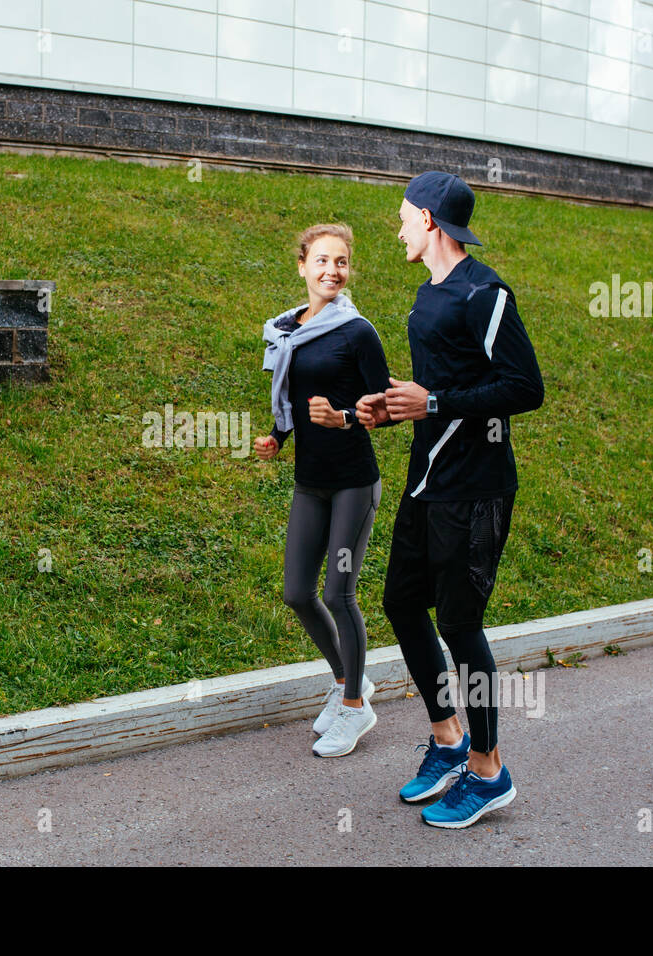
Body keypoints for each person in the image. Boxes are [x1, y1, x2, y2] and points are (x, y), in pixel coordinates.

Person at [357, 172, 544, 826]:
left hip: (476, 489)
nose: (399, 226)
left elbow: (524, 386)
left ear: (432, 220)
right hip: (428, 482)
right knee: (401, 604)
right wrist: (393, 408)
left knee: (460, 627)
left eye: (406, 215)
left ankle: (489, 771)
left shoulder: (484, 294)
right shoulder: (425, 295)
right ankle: (447, 739)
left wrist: (434, 402)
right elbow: (434, 389)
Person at [255, 223, 395, 758]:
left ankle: (357, 710)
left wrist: (343, 419)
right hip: (310, 482)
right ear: (302, 266)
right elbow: (291, 400)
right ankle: (346, 683)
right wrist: (277, 436)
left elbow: (387, 407)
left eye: (340, 262)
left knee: (339, 593)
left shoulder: (357, 332)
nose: (331, 270)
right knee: (297, 592)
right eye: (321, 260)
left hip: (353, 483)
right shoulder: (289, 330)